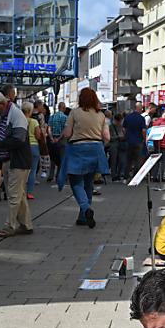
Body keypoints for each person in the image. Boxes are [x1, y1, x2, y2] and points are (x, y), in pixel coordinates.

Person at [56, 87, 110, 229]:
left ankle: (86, 209)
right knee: (88, 183)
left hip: (77, 150)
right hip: (95, 149)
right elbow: (107, 137)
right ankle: (82, 217)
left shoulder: (75, 112)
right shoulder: (101, 116)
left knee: (76, 183)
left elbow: (67, 134)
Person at [0, 90, 33, 238]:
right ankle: (26, 224)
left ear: (2, 104)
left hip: (17, 161)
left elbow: (18, 140)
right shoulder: (8, 114)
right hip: (13, 160)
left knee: (14, 195)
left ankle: (10, 225)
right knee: (19, 195)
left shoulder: (16, 115)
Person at [122, 102, 147, 180]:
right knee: (137, 160)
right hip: (138, 141)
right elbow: (143, 130)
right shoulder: (141, 118)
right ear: (139, 108)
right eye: (142, 108)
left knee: (128, 159)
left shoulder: (128, 117)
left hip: (129, 141)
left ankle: (126, 176)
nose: (142, 109)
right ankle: (135, 176)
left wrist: (126, 136)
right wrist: (144, 139)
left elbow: (123, 129)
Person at [23, 101, 41, 200]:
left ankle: (21, 191)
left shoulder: (20, 120)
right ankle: (29, 192)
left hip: (23, 147)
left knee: (22, 170)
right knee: (33, 170)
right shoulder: (34, 122)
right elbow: (38, 135)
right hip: (34, 146)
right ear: (30, 111)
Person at [47, 101, 68, 182]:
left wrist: (52, 138)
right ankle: (59, 176)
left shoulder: (52, 117)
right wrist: (59, 138)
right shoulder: (65, 117)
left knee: (53, 158)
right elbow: (65, 129)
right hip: (62, 140)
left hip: (52, 140)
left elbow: (48, 129)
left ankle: (51, 175)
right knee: (62, 159)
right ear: (63, 108)